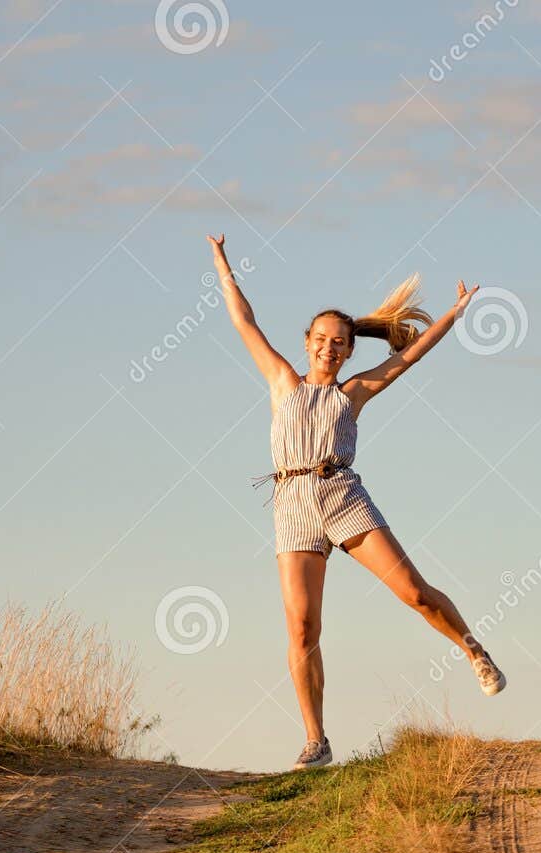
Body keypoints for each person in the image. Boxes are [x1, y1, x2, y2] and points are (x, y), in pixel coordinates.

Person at [207, 234, 507, 771]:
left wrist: (455, 314)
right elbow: (244, 322)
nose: (329, 347)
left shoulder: (355, 392)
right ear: (307, 342)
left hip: (342, 494)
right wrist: (222, 264)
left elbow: (410, 356)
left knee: (414, 592)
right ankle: (316, 741)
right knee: (302, 627)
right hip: (292, 502)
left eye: (339, 342)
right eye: (321, 338)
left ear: (349, 350)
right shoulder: (281, 381)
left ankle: (474, 653)